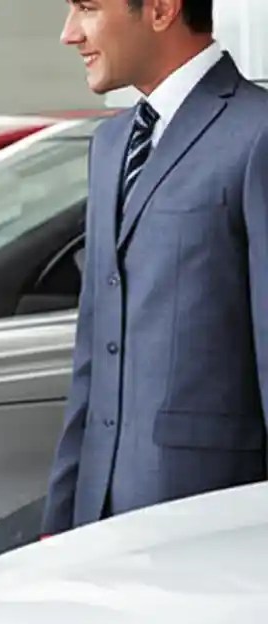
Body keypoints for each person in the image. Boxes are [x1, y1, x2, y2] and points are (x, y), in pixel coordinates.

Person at [42, 0, 268, 537]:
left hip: (212, 514)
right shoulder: (111, 143)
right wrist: (65, 506)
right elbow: (94, 345)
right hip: (100, 516)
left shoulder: (258, 133)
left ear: (163, 9)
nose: (68, 34)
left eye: (88, 8)